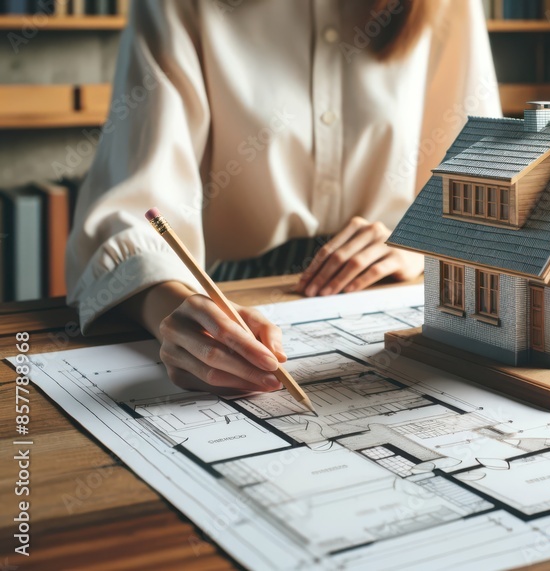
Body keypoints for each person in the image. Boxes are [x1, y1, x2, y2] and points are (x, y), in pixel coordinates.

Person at [66, 0, 501, 396]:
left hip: (395, 287)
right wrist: (171, 309)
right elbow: (135, 206)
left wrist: (420, 249)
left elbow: (479, 186)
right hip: (228, 295)